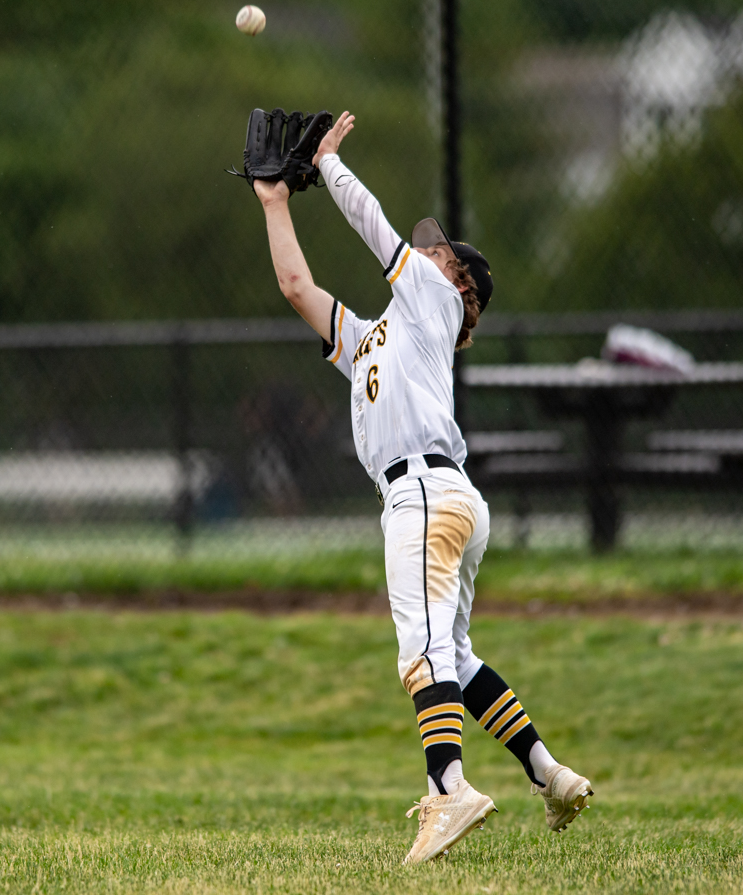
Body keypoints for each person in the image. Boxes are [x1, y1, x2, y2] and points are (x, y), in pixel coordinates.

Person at [252, 111, 595, 865]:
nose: (426, 252)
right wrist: (275, 202)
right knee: (456, 657)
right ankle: (550, 773)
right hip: (444, 498)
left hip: (426, 495)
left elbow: (375, 229)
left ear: (457, 282)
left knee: (423, 650)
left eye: (438, 252)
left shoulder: (437, 303)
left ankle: (448, 789)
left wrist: (328, 163)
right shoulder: (380, 337)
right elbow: (296, 286)